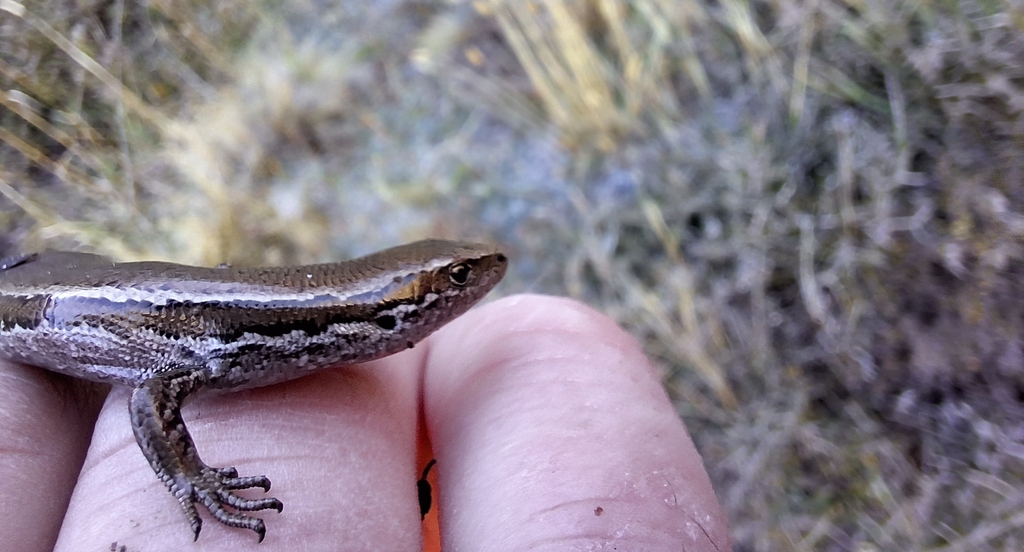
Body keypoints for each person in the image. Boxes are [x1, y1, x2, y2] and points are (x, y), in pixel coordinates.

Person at [0, 294, 731, 551]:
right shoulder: (217, 341)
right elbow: (147, 396)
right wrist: (188, 479)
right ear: (391, 315)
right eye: (449, 285)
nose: (473, 287)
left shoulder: (259, 338)